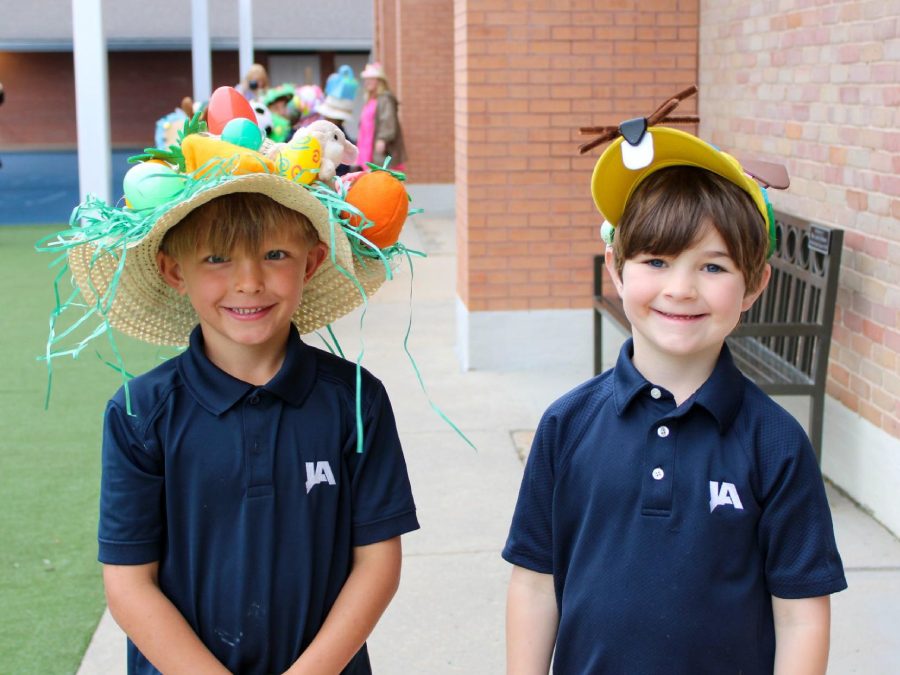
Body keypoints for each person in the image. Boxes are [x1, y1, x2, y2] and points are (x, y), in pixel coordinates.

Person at [40, 118, 419, 673]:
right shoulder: (139, 413)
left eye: (275, 256)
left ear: (311, 263)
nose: (248, 282)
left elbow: (378, 563)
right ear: (175, 271)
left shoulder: (355, 402)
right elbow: (128, 582)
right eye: (217, 259)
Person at [503, 96, 847, 673]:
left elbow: (802, 615)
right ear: (615, 266)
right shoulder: (567, 425)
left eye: (712, 267)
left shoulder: (776, 443)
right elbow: (537, 585)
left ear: (754, 285)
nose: (681, 289)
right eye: (656, 261)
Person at [356, 62, 406, 171]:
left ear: (379, 81)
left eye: (371, 79)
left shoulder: (384, 99)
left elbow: (387, 119)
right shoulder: (370, 100)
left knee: (381, 173)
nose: (367, 82)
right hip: (367, 143)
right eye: (366, 79)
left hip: (378, 146)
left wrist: (382, 139)